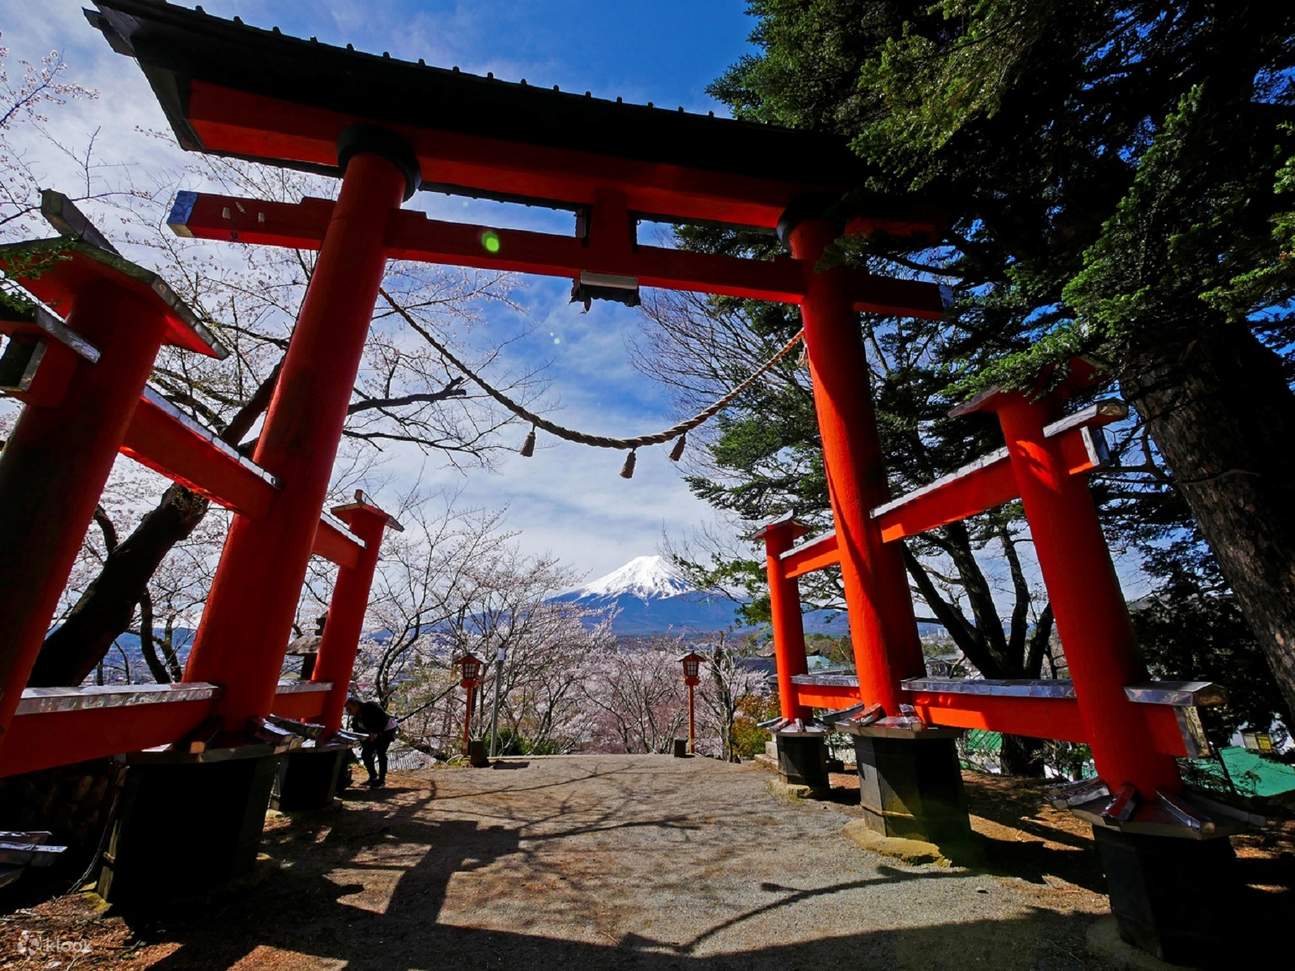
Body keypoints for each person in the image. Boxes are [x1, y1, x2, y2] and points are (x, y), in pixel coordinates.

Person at [344, 696, 398, 789]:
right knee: (366, 754)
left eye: (349, 709)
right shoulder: (356, 718)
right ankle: (373, 777)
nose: (349, 712)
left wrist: (376, 733)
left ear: (356, 705)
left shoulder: (371, 706)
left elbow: (382, 719)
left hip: (387, 729)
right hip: (371, 734)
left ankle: (381, 780)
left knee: (381, 752)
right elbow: (356, 729)